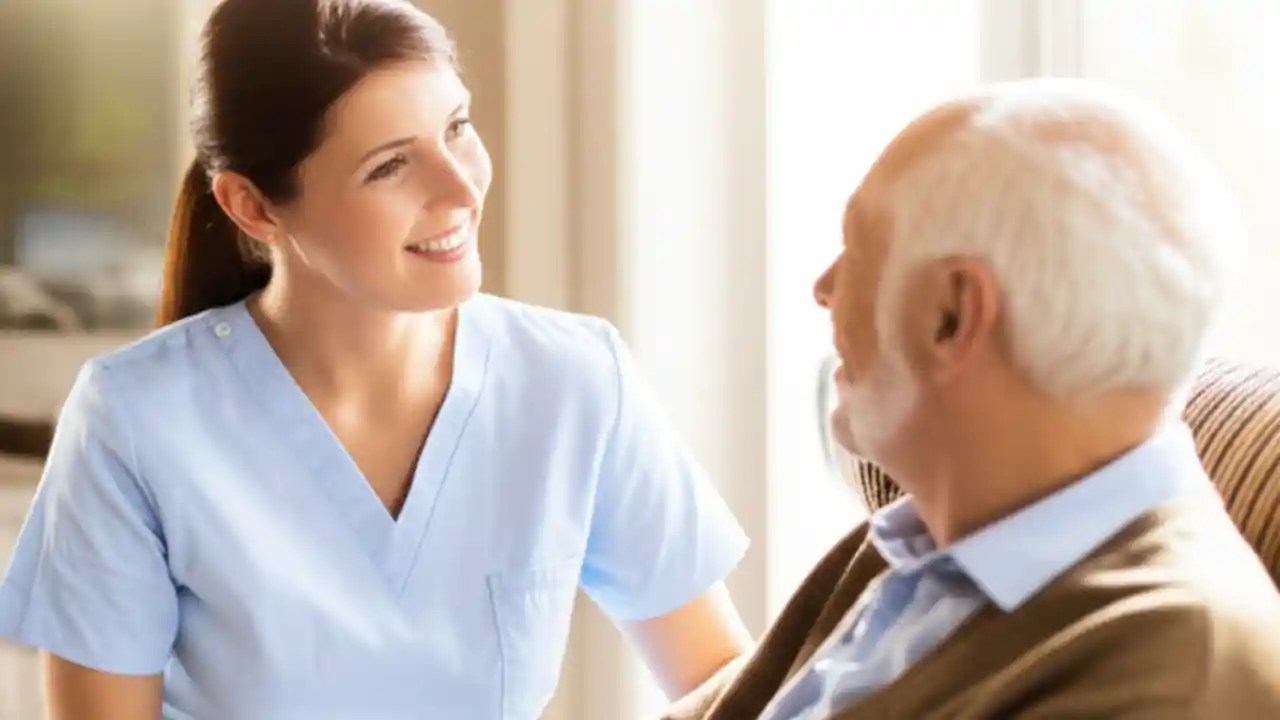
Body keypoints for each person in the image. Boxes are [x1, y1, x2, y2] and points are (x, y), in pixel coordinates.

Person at [0, 1, 752, 717]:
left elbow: (730, 689)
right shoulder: (134, 422)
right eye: (390, 166)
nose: (462, 188)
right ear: (253, 207)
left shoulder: (577, 381)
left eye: (457, 126)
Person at [663, 79, 1280, 719]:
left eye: (858, 248)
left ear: (952, 316)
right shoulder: (916, 541)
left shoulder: (1172, 675)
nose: (825, 289)